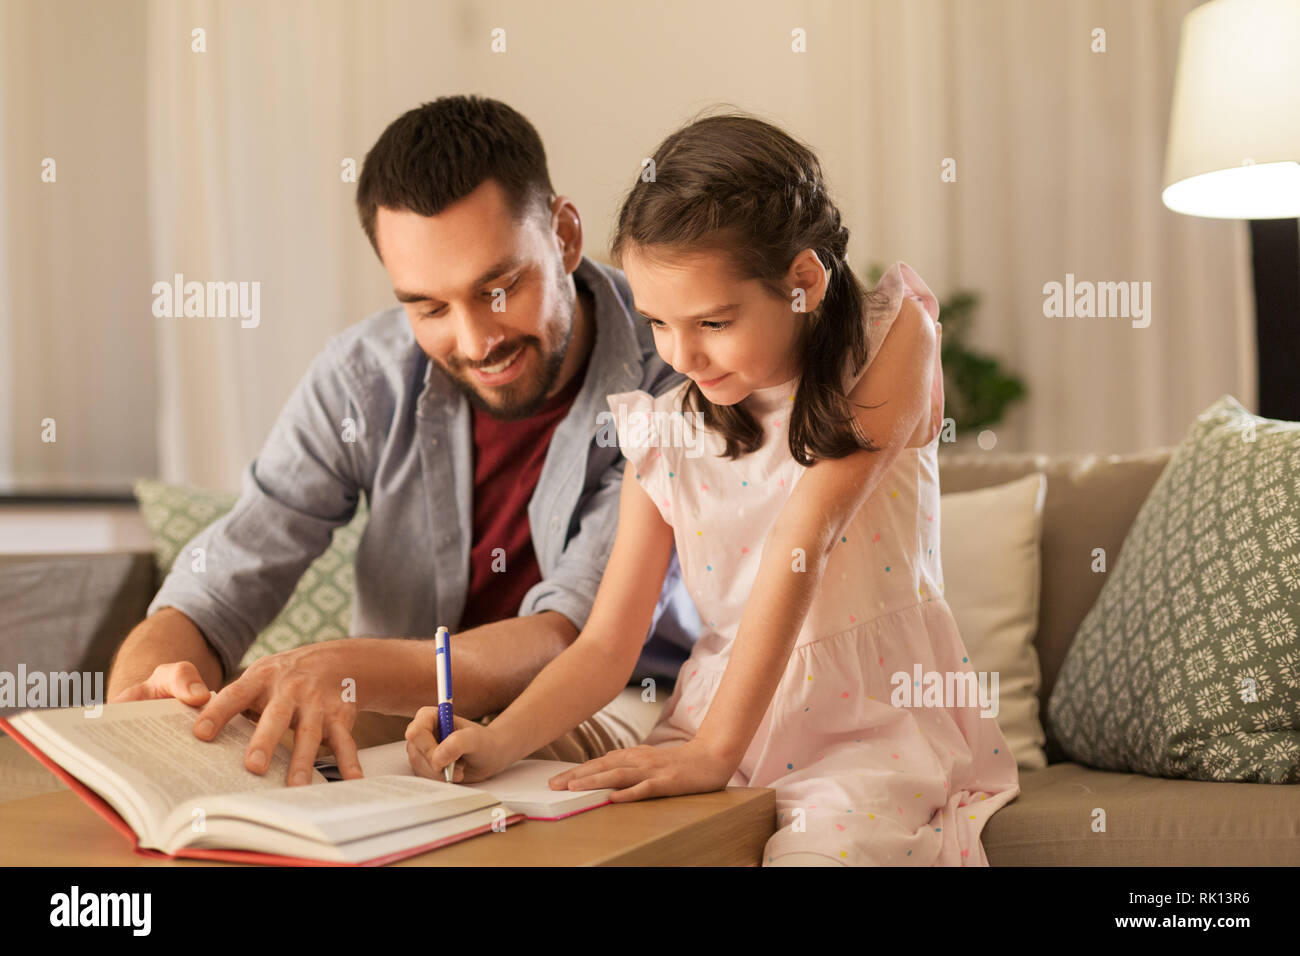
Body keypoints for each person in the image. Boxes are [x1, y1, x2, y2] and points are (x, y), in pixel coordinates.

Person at [407, 112, 1021, 866]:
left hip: (871, 722)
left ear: (802, 284)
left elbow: (806, 537)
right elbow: (606, 644)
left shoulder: (891, 340)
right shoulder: (664, 433)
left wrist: (712, 755)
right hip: (712, 717)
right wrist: (496, 740)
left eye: (714, 321)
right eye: (659, 323)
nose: (682, 354)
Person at [106, 95, 701, 786]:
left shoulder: (675, 369)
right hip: (403, 700)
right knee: (230, 741)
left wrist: (345, 667)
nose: (477, 341)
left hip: (615, 696)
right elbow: (226, 575)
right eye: (429, 306)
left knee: (519, 750)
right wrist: (148, 694)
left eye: (499, 288)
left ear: (564, 235)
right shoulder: (362, 378)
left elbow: (568, 638)